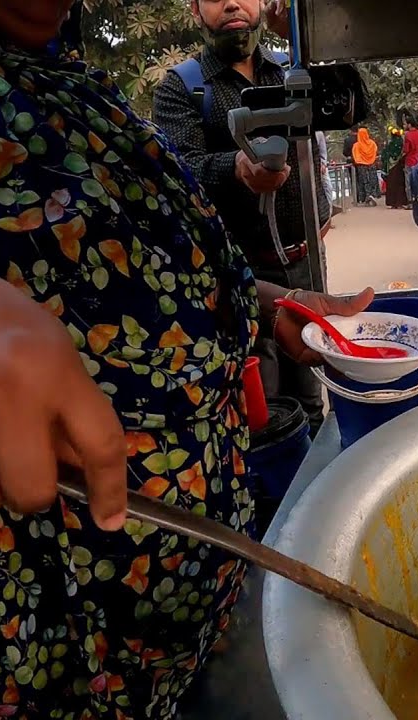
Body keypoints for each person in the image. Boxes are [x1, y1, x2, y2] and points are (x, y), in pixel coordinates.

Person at [0, 2, 372, 718]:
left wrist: (270, 306)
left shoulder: (77, 89)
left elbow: (153, 271)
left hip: (196, 612)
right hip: (19, 678)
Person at [154, 0, 335, 433]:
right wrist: (235, 167)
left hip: (306, 262)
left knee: (315, 384)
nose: (233, 3)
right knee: (262, 407)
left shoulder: (291, 71)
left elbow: (347, 98)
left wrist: (299, 39)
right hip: (242, 277)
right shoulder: (182, 88)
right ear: (195, 11)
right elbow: (177, 170)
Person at [351, 127, 381, 206]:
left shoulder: (356, 146)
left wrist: (361, 160)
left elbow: (355, 156)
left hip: (361, 166)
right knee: (372, 180)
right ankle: (372, 195)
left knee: (364, 181)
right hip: (372, 164)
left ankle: (365, 197)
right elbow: (375, 152)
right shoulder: (372, 144)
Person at [382, 126, 408, 209]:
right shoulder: (402, 142)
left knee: (392, 184)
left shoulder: (391, 143)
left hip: (391, 166)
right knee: (400, 184)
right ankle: (400, 202)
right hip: (400, 165)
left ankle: (393, 203)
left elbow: (386, 153)